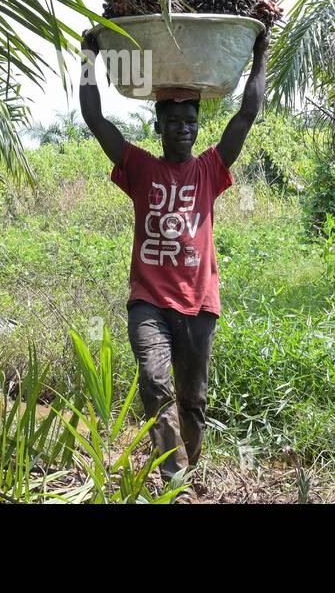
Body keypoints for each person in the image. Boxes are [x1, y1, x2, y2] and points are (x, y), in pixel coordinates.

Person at [79, 27, 268, 483]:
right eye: (175, 123)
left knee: (193, 402)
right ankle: (176, 484)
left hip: (200, 303)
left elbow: (245, 115)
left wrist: (260, 53)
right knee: (154, 382)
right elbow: (95, 119)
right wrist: (88, 57)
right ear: (159, 127)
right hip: (149, 300)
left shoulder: (208, 169)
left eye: (191, 123)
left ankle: (181, 467)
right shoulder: (141, 166)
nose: (184, 130)